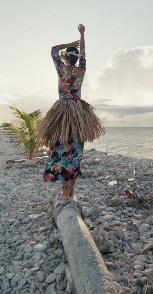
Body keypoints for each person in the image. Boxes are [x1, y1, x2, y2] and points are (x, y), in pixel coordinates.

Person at [38, 23, 105, 200]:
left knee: (62, 151)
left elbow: (53, 49)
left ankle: (65, 194)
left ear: (66, 57)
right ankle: (71, 192)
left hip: (62, 113)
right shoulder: (81, 70)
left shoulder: (61, 68)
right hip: (78, 113)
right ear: (77, 58)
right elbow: (84, 52)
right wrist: (82, 35)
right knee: (75, 152)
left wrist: (71, 42)